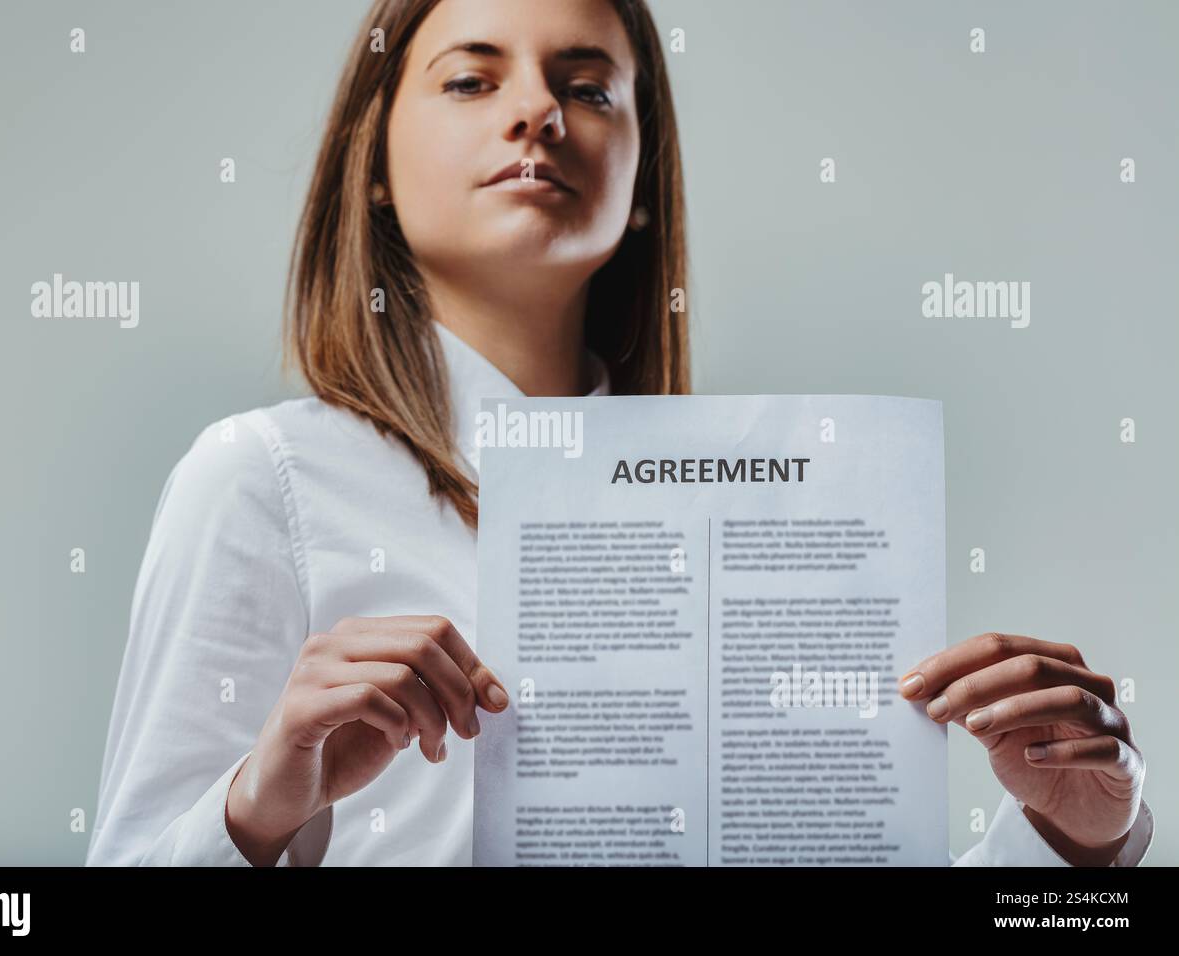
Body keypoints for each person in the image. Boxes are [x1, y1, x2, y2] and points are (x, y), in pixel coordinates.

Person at [85, 0, 1152, 867]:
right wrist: (261, 804)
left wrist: (1071, 836)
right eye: (471, 78)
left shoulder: (775, 512)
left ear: (641, 181)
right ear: (372, 161)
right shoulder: (265, 478)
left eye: (587, 86)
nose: (536, 114)